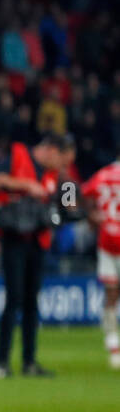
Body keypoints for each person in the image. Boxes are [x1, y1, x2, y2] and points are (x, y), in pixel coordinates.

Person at [0, 133, 72, 378]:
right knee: (14, 300)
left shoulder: (55, 177)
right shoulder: (17, 155)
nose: (63, 168)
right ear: (52, 150)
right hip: (13, 239)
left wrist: (71, 209)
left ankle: (29, 362)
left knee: (32, 303)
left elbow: (64, 208)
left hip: (37, 241)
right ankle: (2, 363)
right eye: (63, 161)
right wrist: (25, 186)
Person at [80, 155, 120, 369]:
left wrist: (88, 215)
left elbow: (76, 193)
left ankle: (113, 346)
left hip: (107, 241)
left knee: (111, 295)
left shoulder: (103, 175)